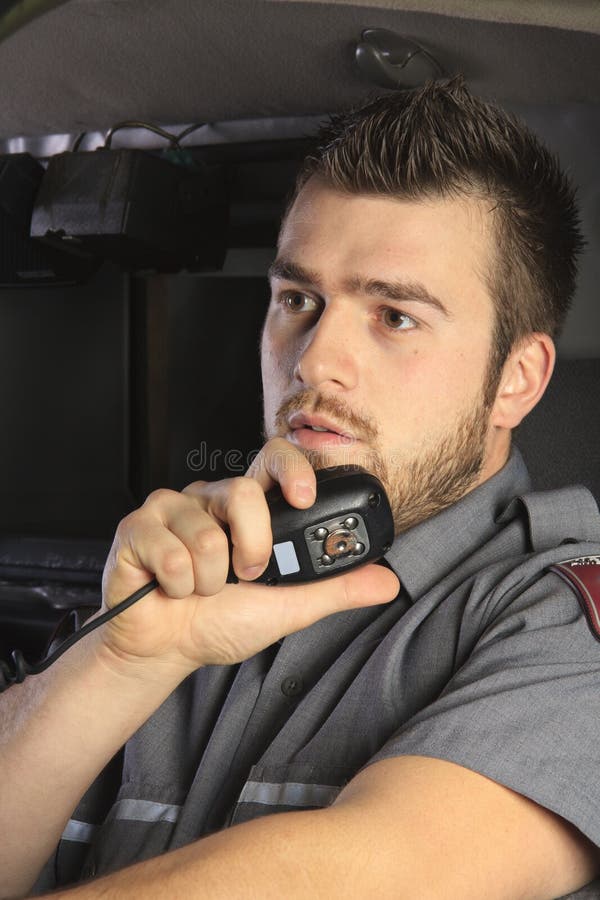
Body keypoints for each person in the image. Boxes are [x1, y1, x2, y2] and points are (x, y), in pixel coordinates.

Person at [2, 77, 600, 900]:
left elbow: (365, 873)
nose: (314, 360)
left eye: (395, 315)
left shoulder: (561, 625)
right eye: (298, 299)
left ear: (517, 379)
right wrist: (121, 658)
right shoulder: (183, 577)